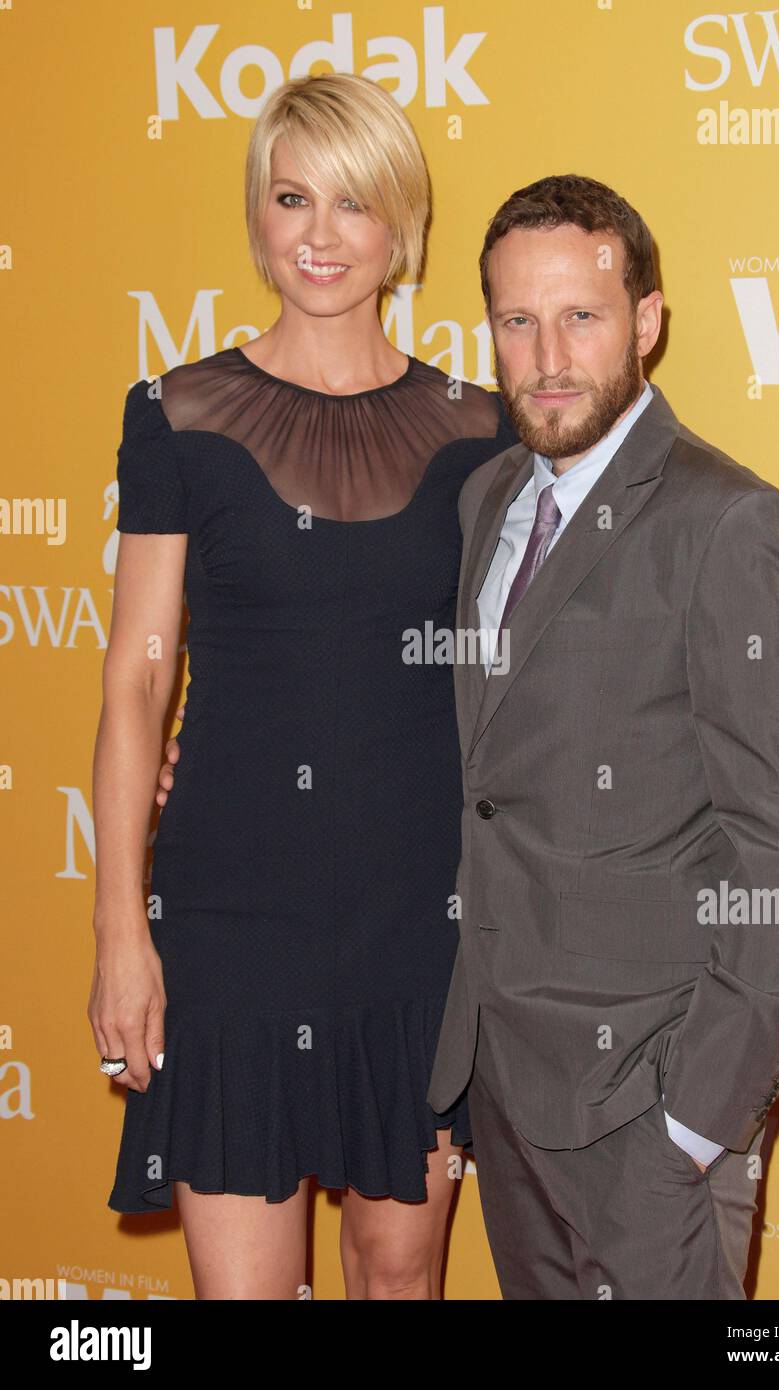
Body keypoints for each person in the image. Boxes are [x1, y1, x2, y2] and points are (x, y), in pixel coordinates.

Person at [88, 72, 513, 1300]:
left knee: (399, 1273)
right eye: (292, 198)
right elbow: (133, 688)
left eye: (354, 204)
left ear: (402, 228)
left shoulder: (478, 433)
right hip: (232, 922)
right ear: (258, 217)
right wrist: (122, 932)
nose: (321, 235)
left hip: (417, 923)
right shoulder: (176, 416)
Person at [426, 173, 779, 1299]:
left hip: (648, 1110)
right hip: (510, 1094)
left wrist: (695, 1125)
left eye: (583, 315)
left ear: (648, 322)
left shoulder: (733, 526)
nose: (548, 353)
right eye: (518, 320)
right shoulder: (486, 504)